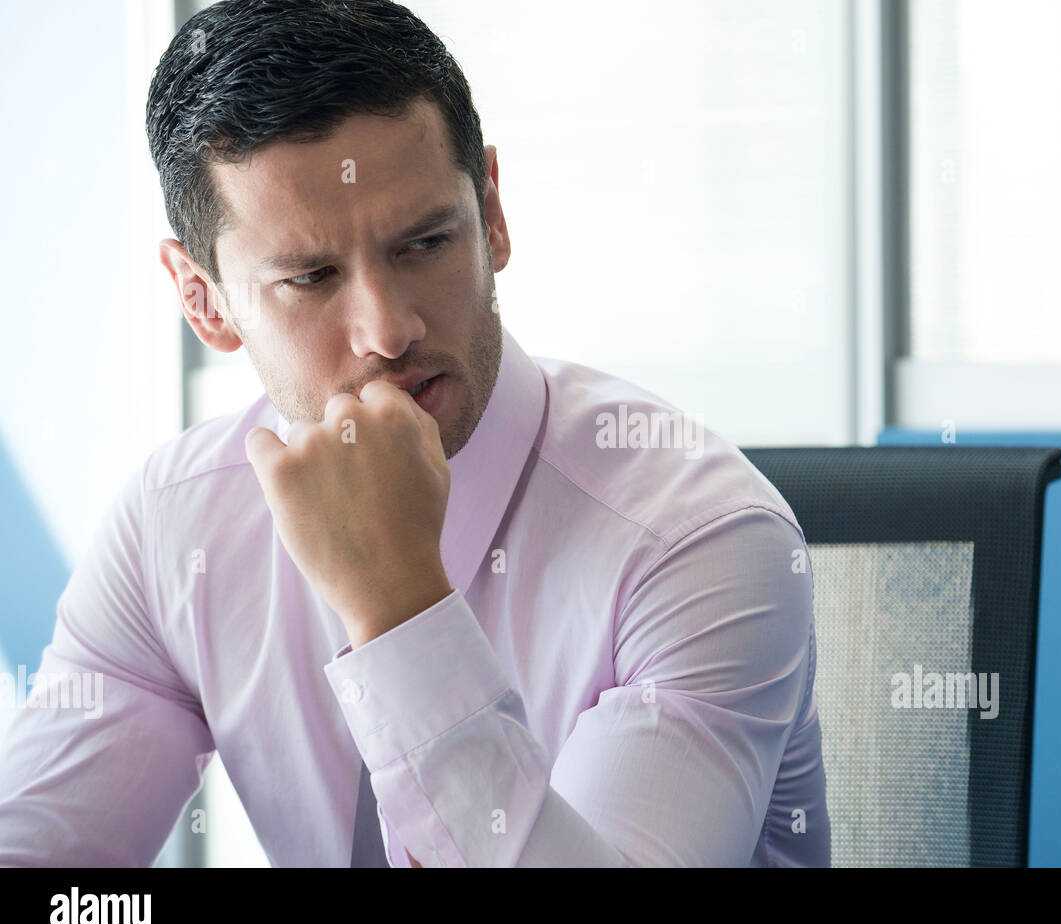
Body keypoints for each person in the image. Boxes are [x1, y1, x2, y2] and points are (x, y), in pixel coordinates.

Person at [0, 0, 829, 867]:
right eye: (311, 277)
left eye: (426, 242)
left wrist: (400, 610)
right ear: (204, 300)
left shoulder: (697, 540)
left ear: (493, 215)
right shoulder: (173, 530)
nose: (388, 330)